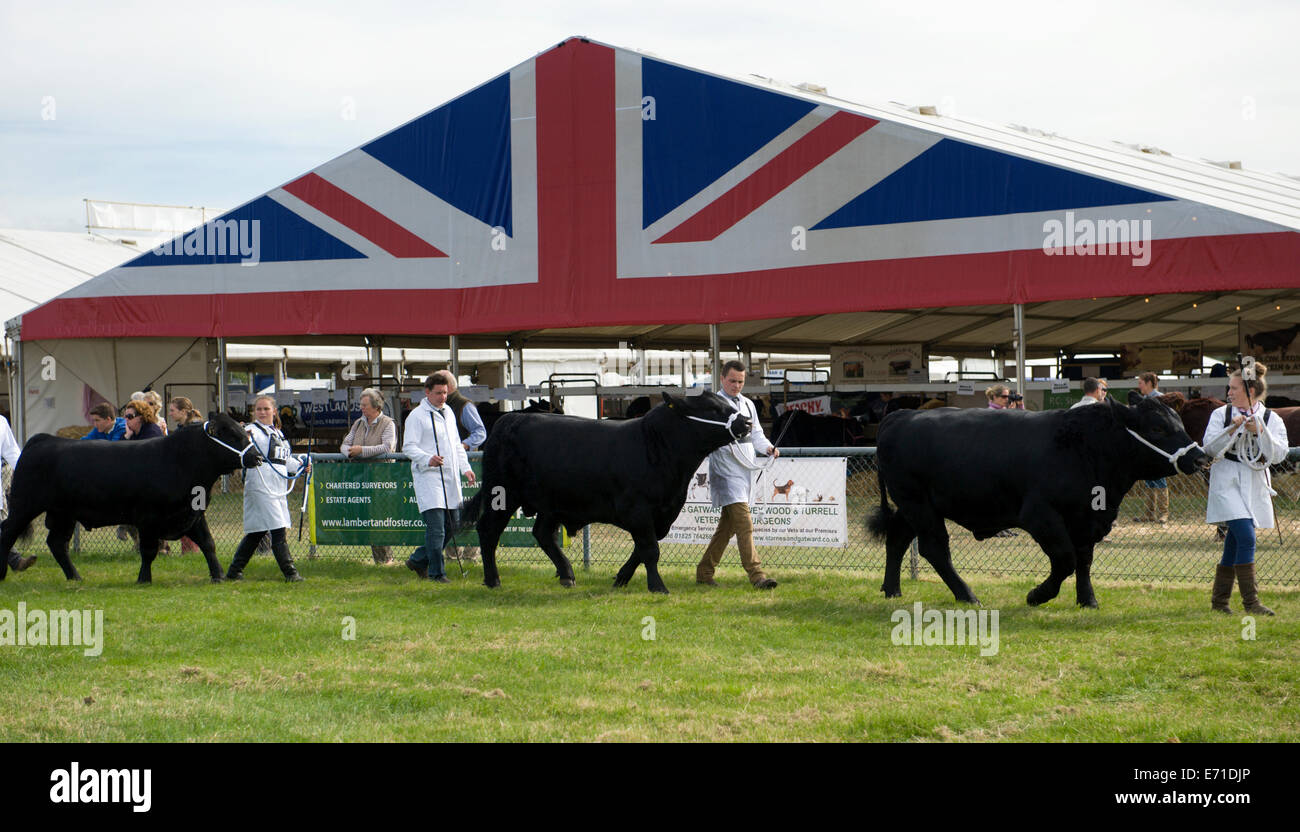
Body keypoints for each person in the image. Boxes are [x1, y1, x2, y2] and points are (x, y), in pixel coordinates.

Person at [1202, 363, 1287, 616]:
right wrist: (1233, 429)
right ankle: (1251, 603)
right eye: (1229, 388)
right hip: (1227, 479)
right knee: (1247, 536)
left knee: (1235, 540)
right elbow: (1209, 448)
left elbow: (1279, 454)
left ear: (1251, 390)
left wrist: (1260, 431)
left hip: (1254, 480)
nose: (1228, 392)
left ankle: (1219, 601)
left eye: (1234, 388)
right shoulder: (1221, 415)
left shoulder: (1271, 418)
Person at [697, 360, 779, 590]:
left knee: (727, 527)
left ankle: (704, 571)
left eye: (740, 382)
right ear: (722, 379)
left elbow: (757, 435)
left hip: (745, 470)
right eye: (732, 381)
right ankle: (757, 575)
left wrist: (769, 448)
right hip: (725, 470)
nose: (736, 385)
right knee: (744, 524)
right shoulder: (713, 404)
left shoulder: (748, 404)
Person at [225, 395, 309, 582]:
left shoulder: (278, 434)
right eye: (258, 409)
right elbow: (240, 450)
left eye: (266, 409)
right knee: (277, 528)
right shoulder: (250, 431)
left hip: (277, 486)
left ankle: (234, 571)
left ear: (274, 411)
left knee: (257, 531)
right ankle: (290, 573)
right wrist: (241, 437)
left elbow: (285, 461)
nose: (262, 412)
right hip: (260, 484)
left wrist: (302, 467)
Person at [402, 374, 476, 583]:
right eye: (438, 393)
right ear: (427, 392)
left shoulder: (450, 412)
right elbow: (408, 447)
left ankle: (418, 559)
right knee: (436, 528)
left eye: (445, 392)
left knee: (454, 525)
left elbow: (456, 444)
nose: (443, 397)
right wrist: (428, 459)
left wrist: (466, 468)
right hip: (429, 478)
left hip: (450, 478)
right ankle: (437, 573)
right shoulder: (416, 416)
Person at [340, 387, 398, 565]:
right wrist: (348, 452)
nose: (361, 408)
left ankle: (386, 559)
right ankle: (378, 558)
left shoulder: (388, 423)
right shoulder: (358, 423)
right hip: (361, 477)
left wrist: (360, 451)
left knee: (379, 517)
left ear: (376, 406)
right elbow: (345, 443)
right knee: (366, 516)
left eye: (365, 405)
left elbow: (387, 447)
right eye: (361, 404)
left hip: (381, 478)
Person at [437, 370, 486, 564]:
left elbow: (480, 432)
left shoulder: (464, 406)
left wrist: (463, 445)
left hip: (467, 466)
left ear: (447, 388)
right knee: (450, 511)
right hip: (448, 465)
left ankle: (471, 556)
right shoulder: (438, 407)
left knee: (470, 512)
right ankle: (452, 556)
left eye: (439, 386)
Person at [1132, 372, 1169, 523]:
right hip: (1147, 443)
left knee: (1160, 477)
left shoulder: (1160, 399)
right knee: (1149, 478)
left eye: (1140, 383)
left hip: (1158, 444)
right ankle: (1149, 513)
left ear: (1148, 383)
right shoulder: (1144, 400)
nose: (1139, 386)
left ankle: (1164, 513)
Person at [0, 414, 35, 573]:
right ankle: (15, 561)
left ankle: (15, 561)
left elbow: (12, 452)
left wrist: (27, 476)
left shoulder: (1, 422)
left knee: (2, 524)